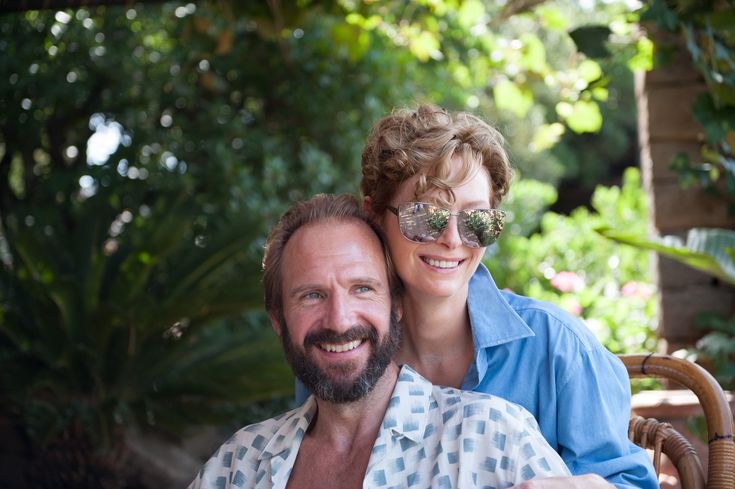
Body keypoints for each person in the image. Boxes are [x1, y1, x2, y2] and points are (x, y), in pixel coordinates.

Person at [298, 105, 658, 488]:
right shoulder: (341, 345)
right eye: (425, 216)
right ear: (373, 216)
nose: (452, 240)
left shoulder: (557, 348)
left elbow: (630, 481)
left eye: (476, 220)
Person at [188, 193, 571, 489]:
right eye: (312, 295)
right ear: (278, 320)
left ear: (397, 305)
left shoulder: (494, 435)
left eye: (362, 289)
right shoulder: (239, 464)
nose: (339, 320)